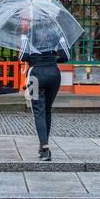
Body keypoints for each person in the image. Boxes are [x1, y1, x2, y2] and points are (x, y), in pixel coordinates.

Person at [19, 13, 70, 161]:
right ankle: (43, 146)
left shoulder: (27, 35)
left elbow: (22, 56)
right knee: (47, 109)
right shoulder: (56, 34)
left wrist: (33, 57)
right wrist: (53, 58)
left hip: (35, 75)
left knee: (38, 111)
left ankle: (45, 147)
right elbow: (66, 57)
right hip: (54, 74)